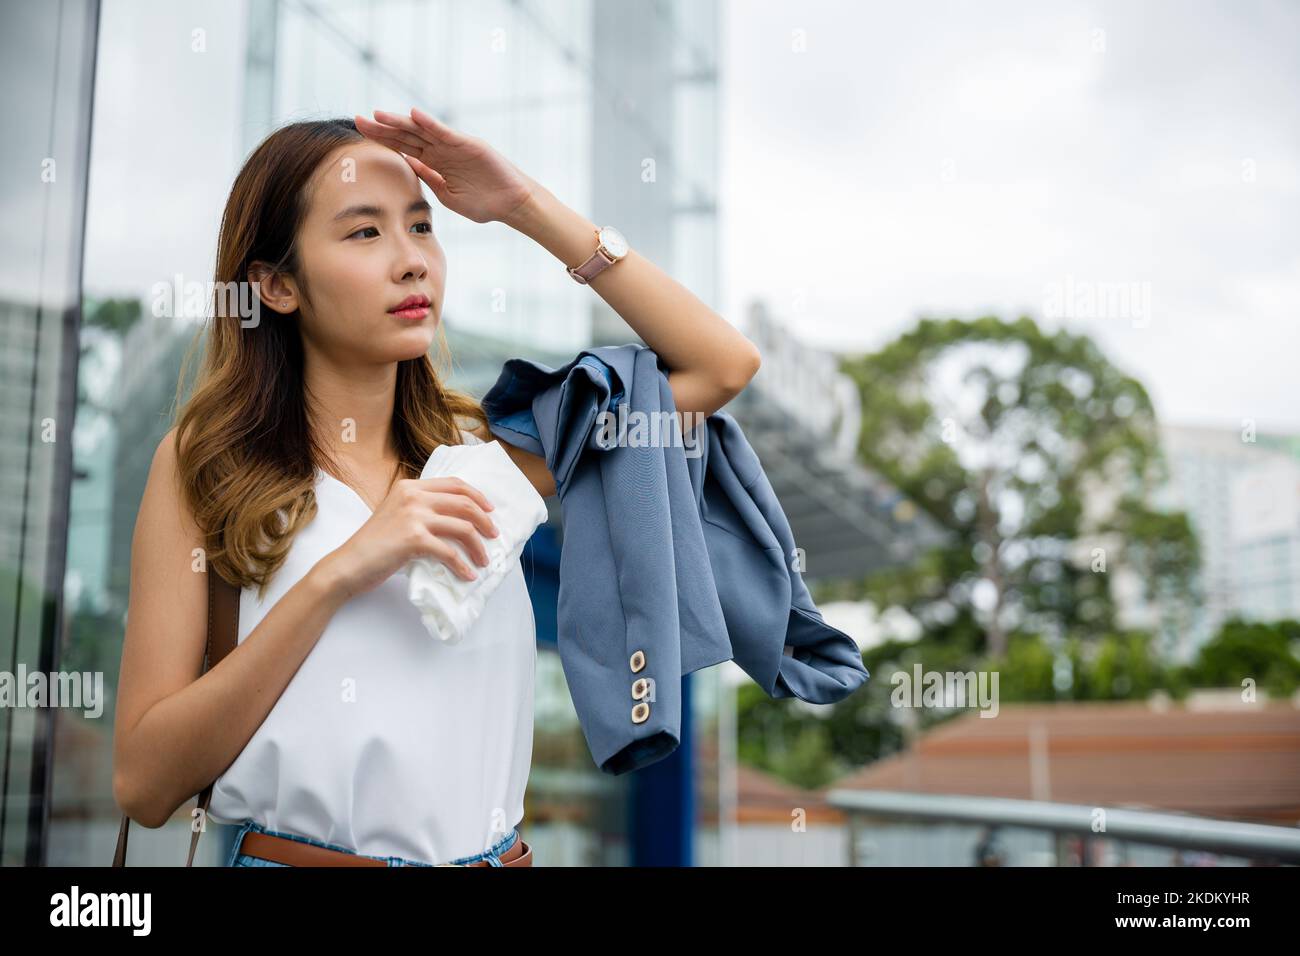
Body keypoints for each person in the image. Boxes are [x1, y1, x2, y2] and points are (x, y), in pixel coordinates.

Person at [111, 109, 762, 866]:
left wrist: (522, 205)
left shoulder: (484, 459)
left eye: (421, 227)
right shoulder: (206, 465)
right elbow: (143, 781)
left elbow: (721, 365)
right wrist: (340, 574)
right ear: (277, 286)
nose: (412, 260)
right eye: (365, 233)